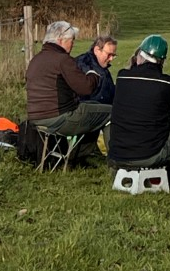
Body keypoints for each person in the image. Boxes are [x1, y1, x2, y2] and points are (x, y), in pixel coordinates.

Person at [108, 34, 170, 188]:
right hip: (148, 155)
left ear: (139, 55)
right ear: (162, 61)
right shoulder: (167, 83)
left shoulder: (122, 77)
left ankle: (115, 171)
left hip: (118, 155)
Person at [25, 20, 109, 164]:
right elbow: (85, 88)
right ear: (60, 40)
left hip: (36, 118)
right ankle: (117, 161)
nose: (73, 44)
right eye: (72, 40)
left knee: (94, 108)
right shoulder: (62, 60)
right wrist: (93, 75)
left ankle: (80, 156)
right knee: (111, 112)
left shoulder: (36, 60)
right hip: (59, 118)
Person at [74, 34, 117, 106]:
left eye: (113, 55)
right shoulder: (85, 65)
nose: (111, 59)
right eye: (109, 54)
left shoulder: (101, 67)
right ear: (97, 50)